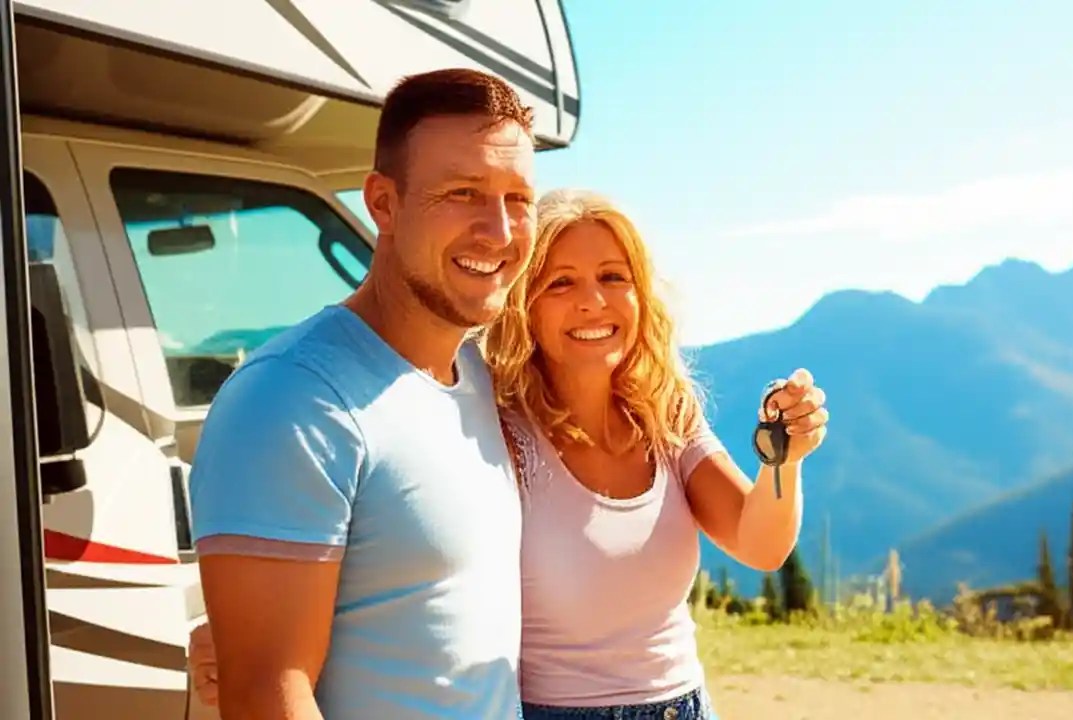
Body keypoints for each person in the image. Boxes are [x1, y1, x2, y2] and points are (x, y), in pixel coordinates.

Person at [189, 187, 830, 719]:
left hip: (682, 706)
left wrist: (784, 461)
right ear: (524, 302)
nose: (593, 301)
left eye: (614, 277)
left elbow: (760, 543)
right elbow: (395, 527)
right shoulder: (491, 415)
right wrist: (251, 630)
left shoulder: (666, 412)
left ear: (641, 295)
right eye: (561, 283)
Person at [187, 67, 540, 720]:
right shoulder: (293, 398)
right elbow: (266, 693)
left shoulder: (477, 382)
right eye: (462, 193)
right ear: (382, 203)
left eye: (518, 198)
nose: (499, 231)